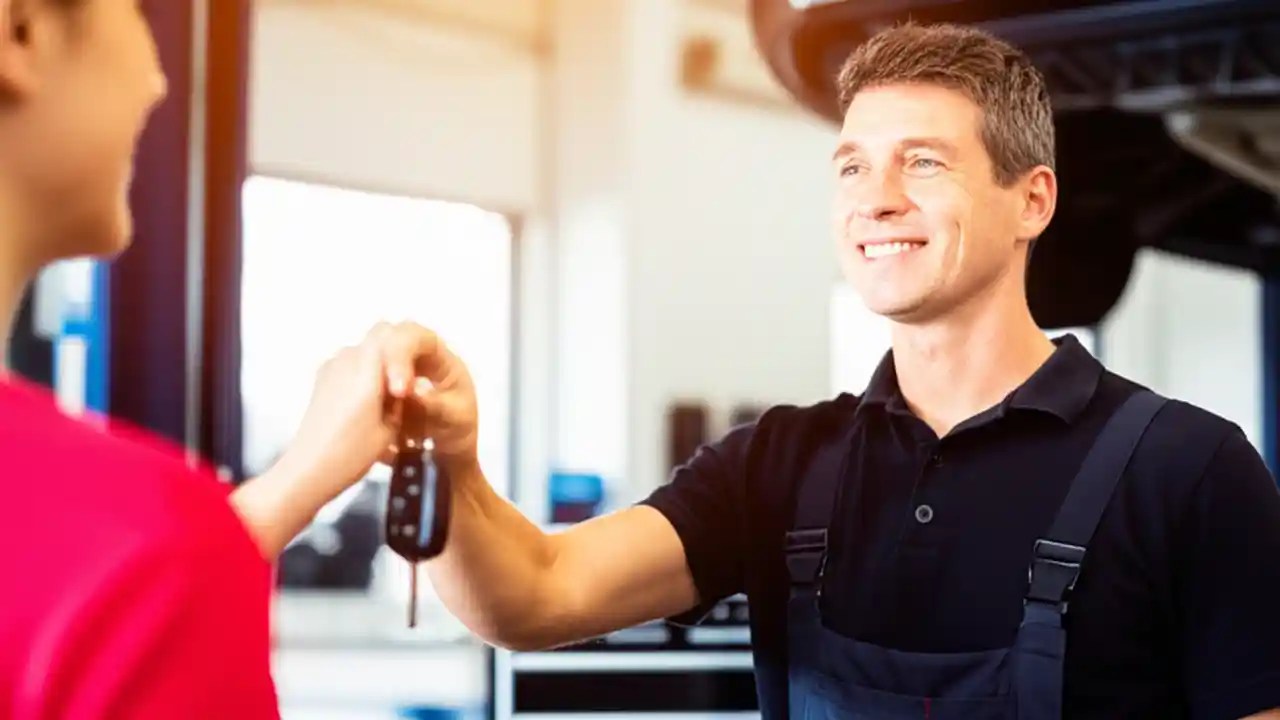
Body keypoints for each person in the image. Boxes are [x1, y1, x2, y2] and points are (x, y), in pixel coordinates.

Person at [404, 21, 1280, 720]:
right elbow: (532, 596)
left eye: (923, 162)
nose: (876, 199)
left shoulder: (1190, 473)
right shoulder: (778, 467)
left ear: (1033, 200)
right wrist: (450, 461)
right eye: (854, 166)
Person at [0, 1, 437, 717]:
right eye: (131, 10)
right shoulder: (154, 553)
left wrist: (271, 498)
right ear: (20, 30)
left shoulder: (143, 554)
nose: (156, 81)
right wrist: (195, 549)